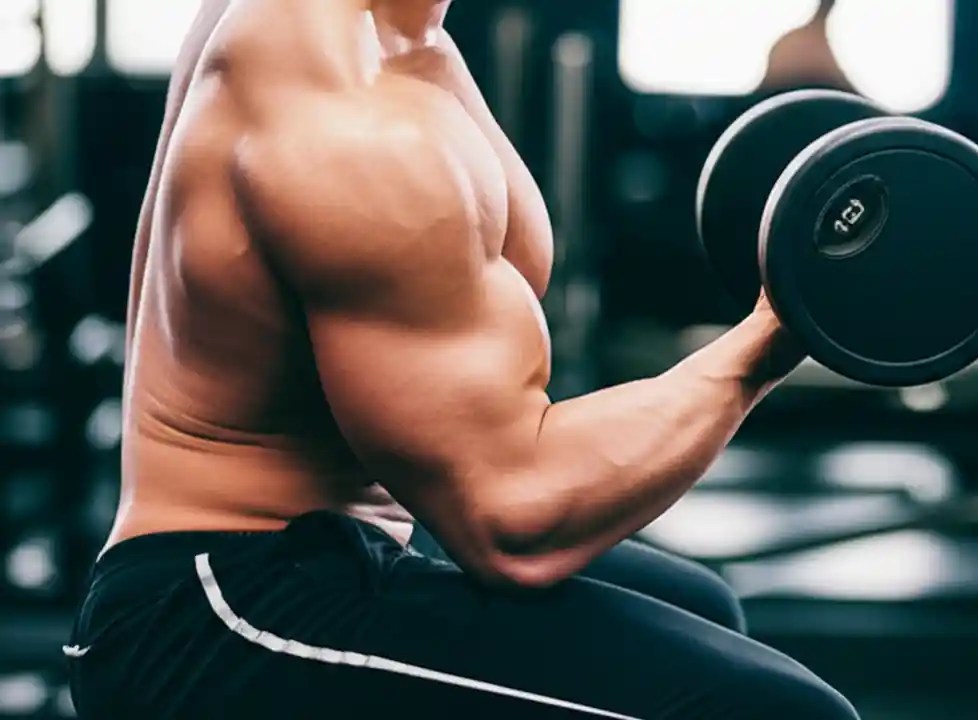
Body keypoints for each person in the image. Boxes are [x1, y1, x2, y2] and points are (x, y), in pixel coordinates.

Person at [67, 1, 859, 718]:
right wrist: (776, 333)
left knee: (703, 610)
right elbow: (514, 519)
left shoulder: (404, 34)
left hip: (345, 538)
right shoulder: (348, 112)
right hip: (217, 608)